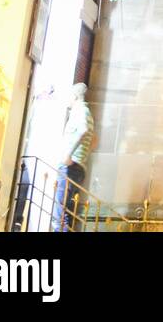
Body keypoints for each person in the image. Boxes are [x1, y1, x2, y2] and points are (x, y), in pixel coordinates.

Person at [53, 83, 94, 232]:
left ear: (74, 96)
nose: (68, 100)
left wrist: (68, 154)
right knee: (66, 213)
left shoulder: (80, 111)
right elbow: (93, 140)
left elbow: (83, 130)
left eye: (69, 96)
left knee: (59, 215)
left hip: (70, 166)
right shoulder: (87, 113)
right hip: (78, 166)